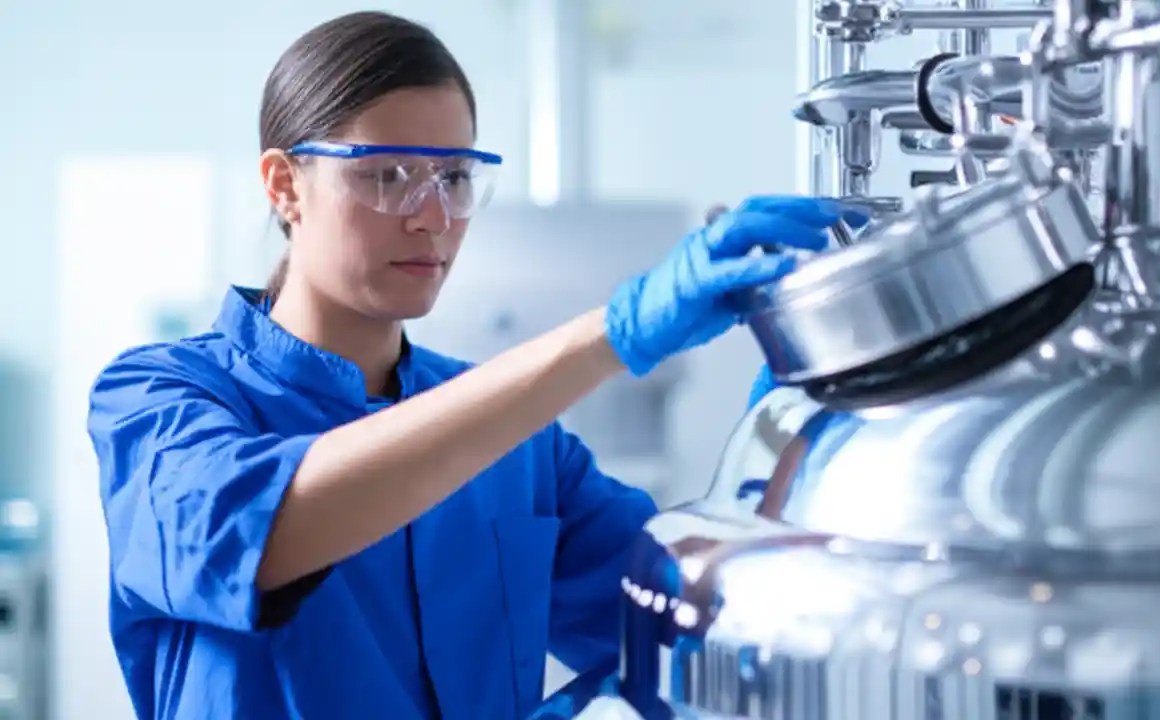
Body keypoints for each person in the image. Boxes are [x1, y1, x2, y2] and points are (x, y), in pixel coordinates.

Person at [85, 11, 844, 720]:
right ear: (286, 185)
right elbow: (269, 534)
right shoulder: (159, 400)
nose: (434, 216)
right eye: (387, 175)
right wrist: (608, 338)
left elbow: (686, 623)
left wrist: (784, 442)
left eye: (453, 176)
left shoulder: (523, 448)